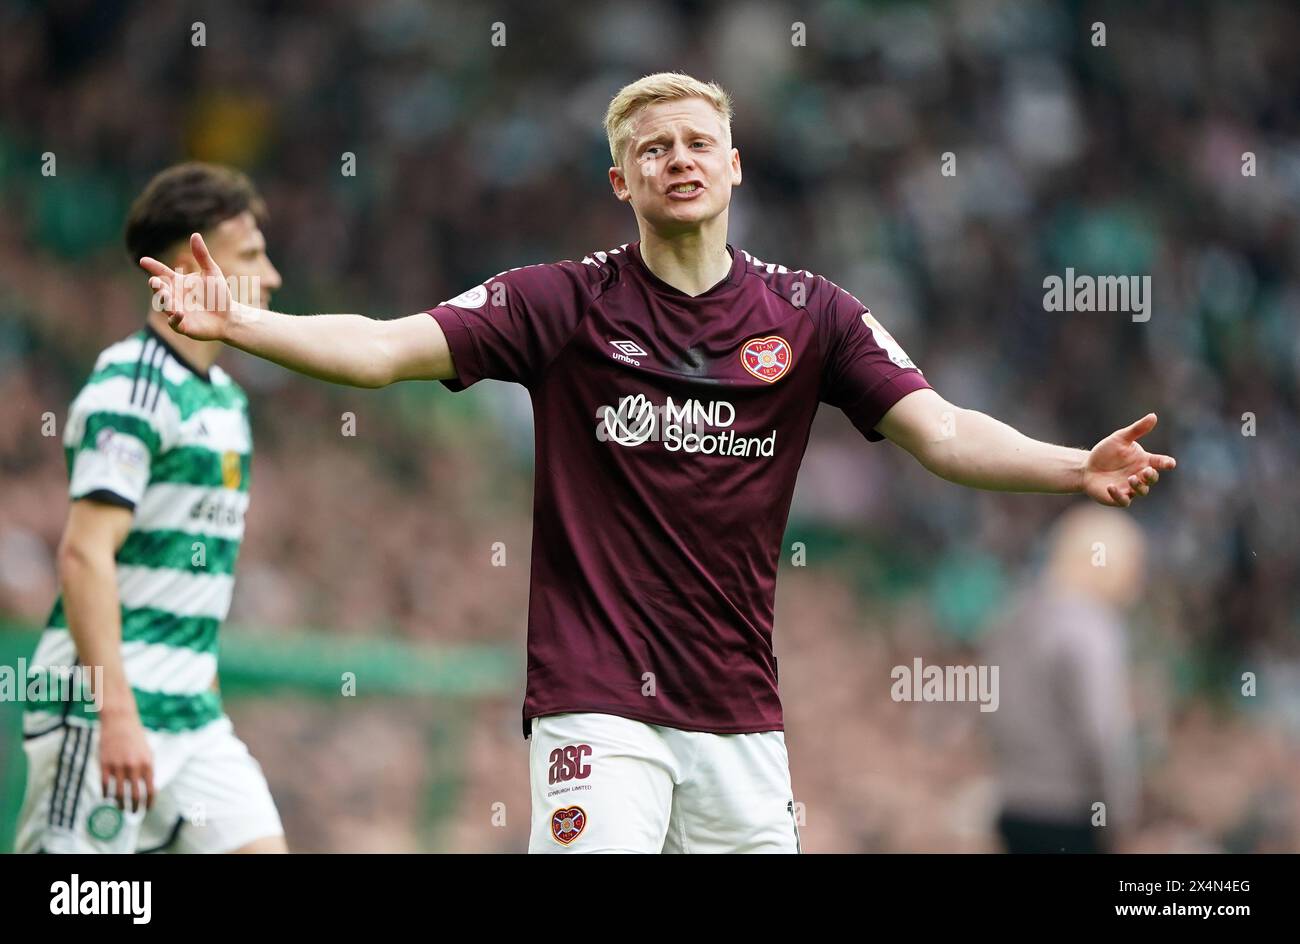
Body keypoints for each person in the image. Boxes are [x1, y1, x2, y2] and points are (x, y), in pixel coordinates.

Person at [138, 73, 1176, 853]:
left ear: (731, 166)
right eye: (653, 147)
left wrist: (1069, 467)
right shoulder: (559, 302)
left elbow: (941, 430)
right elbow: (381, 347)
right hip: (596, 700)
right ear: (621, 178)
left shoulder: (812, 315)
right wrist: (236, 323)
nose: (678, 158)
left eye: (697, 142)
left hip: (737, 709)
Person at [16, 162, 287, 853]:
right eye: (251, 257)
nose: (274, 278)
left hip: (192, 718)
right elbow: (83, 554)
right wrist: (116, 713)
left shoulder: (225, 400)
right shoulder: (128, 390)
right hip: (104, 706)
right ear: (189, 265)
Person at [984, 506, 1146, 854]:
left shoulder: (1016, 615)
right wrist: (1120, 811)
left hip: (1014, 804)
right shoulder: (1092, 627)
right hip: (1071, 814)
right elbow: (1102, 731)